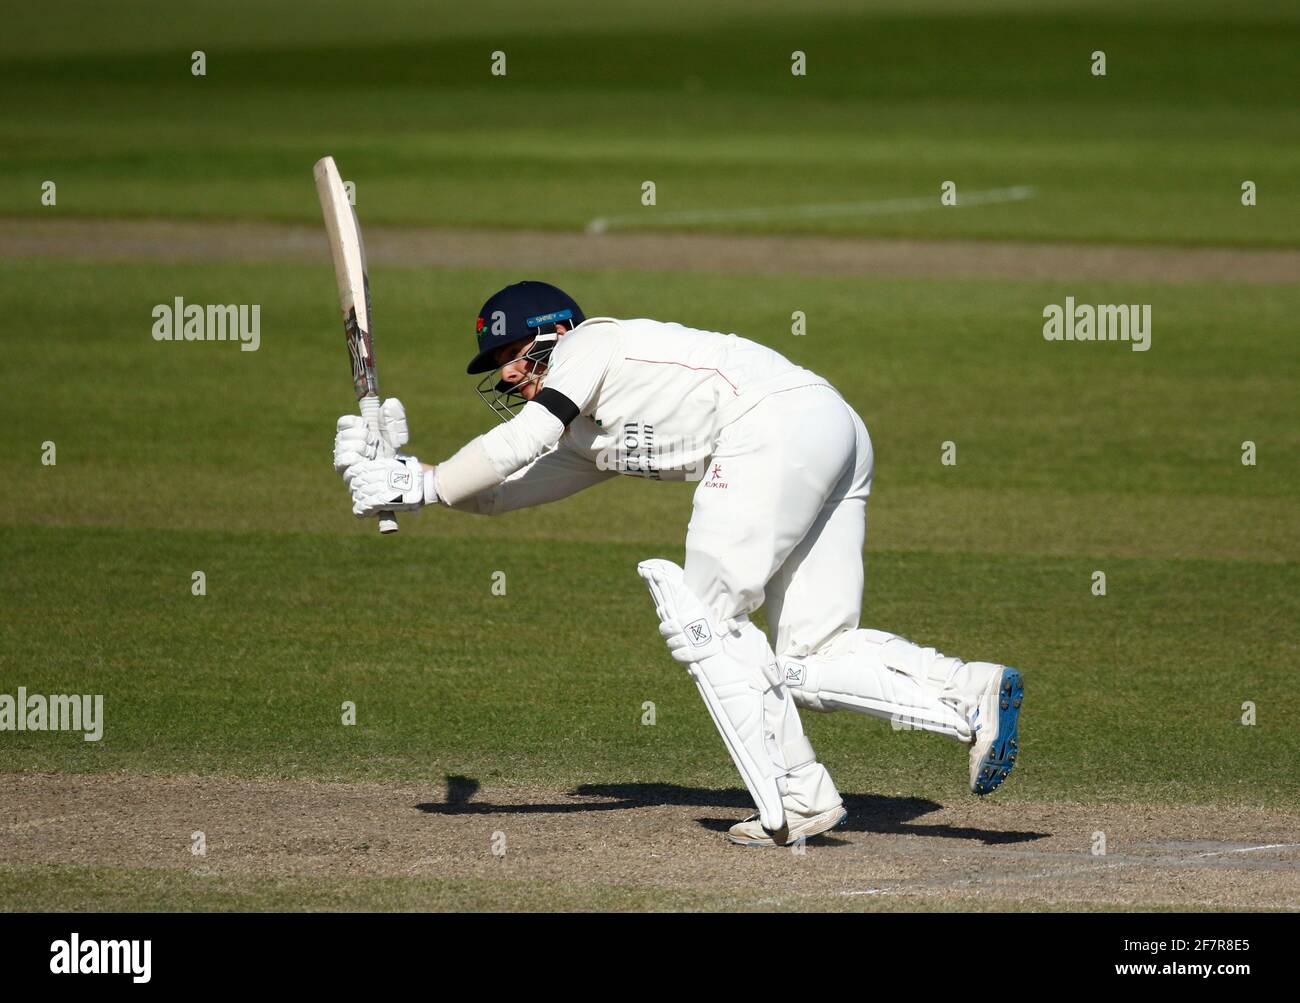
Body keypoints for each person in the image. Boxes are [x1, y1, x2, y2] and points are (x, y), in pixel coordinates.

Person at [334, 280, 1024, 847]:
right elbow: (501, 493)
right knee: (812, 654)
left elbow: (524, 437)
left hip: (772, 425)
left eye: (513, 353)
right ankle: (970, 691)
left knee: (703, 618)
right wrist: (405, 476)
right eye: (498, 365)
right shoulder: (584, 433)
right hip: (826, 426)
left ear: (551, 334)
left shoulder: (591, 343)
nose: (508, 373)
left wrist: (424, 484)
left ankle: (798, 798)